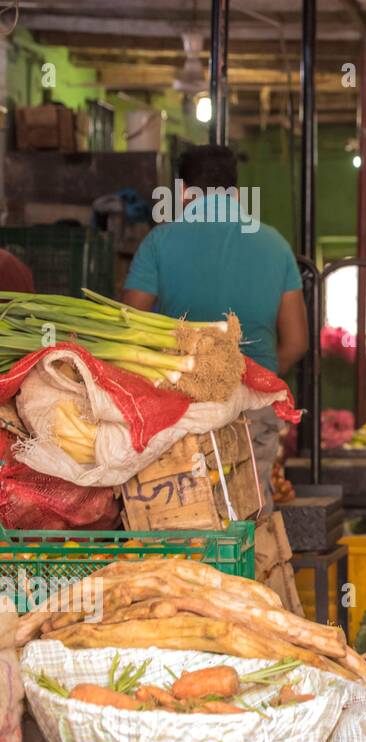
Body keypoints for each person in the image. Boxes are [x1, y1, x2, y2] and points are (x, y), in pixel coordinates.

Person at [122, 144, 308, 509]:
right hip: (254, 404)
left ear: (184, 192)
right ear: (237, 193)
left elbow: (130, 322)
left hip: (184, 406)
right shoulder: (275, 244)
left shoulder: (159, 242)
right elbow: (298, 340)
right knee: (249, 512)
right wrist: (256, 375)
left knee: (184, 514)